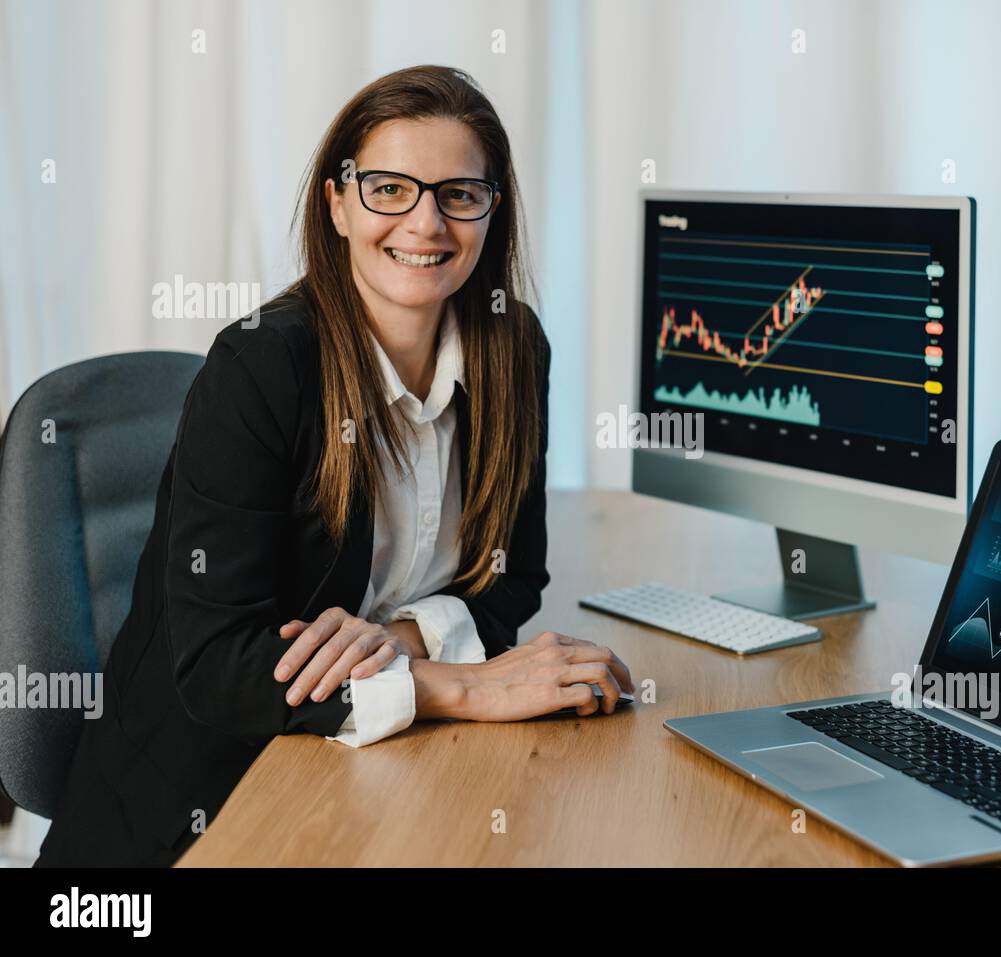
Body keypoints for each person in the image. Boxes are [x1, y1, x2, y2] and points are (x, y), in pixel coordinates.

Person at [36, 64, 631, 867]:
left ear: (493, 211)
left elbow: (512, 577)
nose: (426, 223)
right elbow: (219, 668)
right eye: (391, 188)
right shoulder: (261, 368)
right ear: (338, 203)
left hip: (377, 772)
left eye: (459, 193)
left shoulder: (514, 348)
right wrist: (455, 685)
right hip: (203, 810)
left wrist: (399, 640)